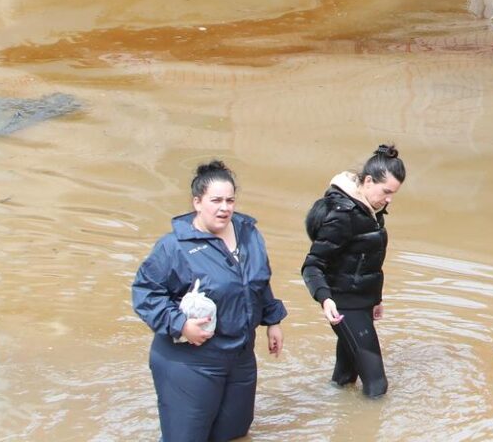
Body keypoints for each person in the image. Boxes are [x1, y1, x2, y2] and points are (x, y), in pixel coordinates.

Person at [132, 160, 287, 442]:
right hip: (190, 361)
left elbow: (257, 281)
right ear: (197, 202)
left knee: (234, 434)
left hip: (240, 355)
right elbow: (145, 293)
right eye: (215, 200)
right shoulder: (174, 246)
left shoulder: (249, 234)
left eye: (230, 200)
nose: (224, 207)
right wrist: (180, 324)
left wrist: (272, 320)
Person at [302, 143, 406, 398]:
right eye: (386, 191)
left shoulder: (370, 211)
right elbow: (312, 265)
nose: (389, 199)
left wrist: (375, 299)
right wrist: (325, 298)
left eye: (394, 193)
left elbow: (369, 261)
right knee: (377, 386)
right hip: (344, 306)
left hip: (361, 302)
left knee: (345, 378)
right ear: (368, 181)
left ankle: (337, 416)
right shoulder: (343, 215)